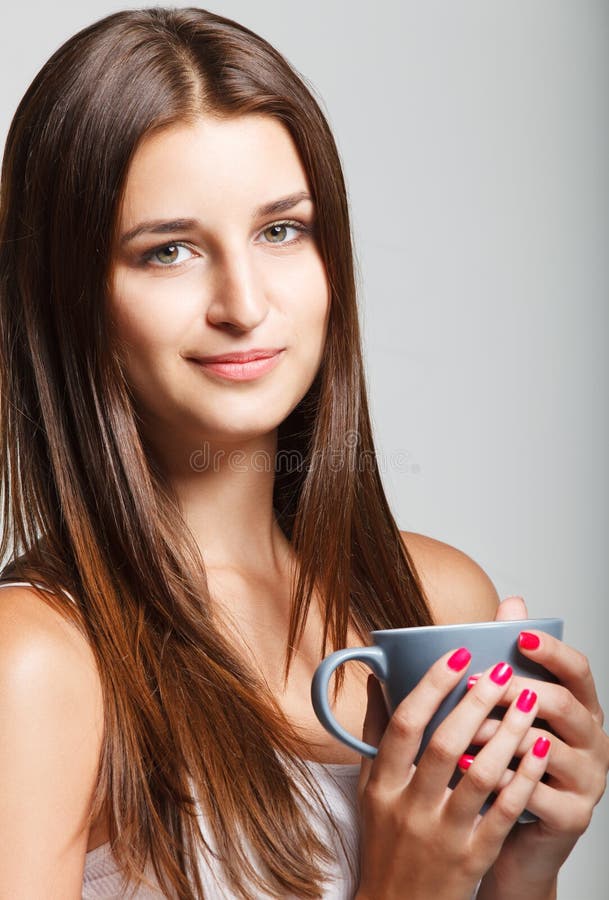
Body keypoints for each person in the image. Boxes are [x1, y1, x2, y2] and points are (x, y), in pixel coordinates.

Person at [0, 7, 606, 899]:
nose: (244, 303)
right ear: (69, 295)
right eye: (167, 251)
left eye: (282, 231)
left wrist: (520, 868)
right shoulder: (37, 666)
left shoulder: (434, 604)